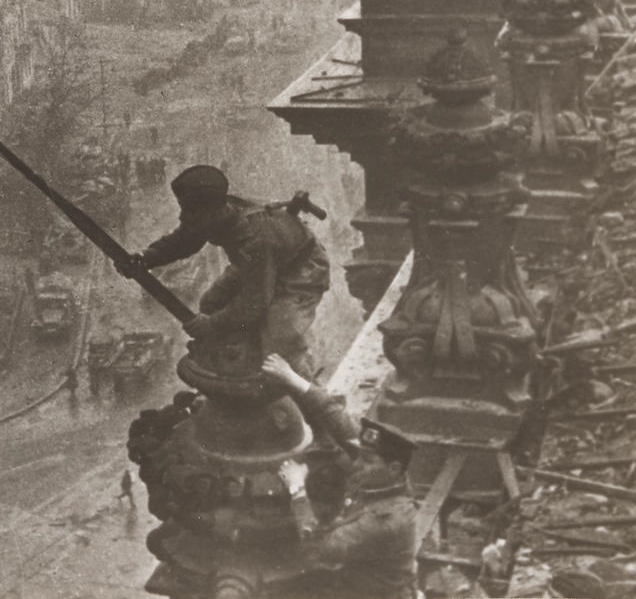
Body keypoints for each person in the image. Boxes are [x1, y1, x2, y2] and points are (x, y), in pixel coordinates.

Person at [121, 166, 329, 374]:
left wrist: (211, 325)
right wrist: (145, 258)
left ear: (215, 209)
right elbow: (185, 240)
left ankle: (305, 388)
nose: (184, 216)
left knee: (279, 346)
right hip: (257, 262)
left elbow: (255, 300)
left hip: (299, 271)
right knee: (211, 303)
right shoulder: (212, 212)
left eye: (191, 211)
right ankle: (241, 356)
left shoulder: (254, 237)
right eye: (184, 209)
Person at [263, 355, 419, 599]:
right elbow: (336, 418)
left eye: (366, 461)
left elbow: (315, 551)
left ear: (394, 469)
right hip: (355, 574)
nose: (357, 464)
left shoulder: (386, 520)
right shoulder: (388, 475)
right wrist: (291, 378)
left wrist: (297, 490)